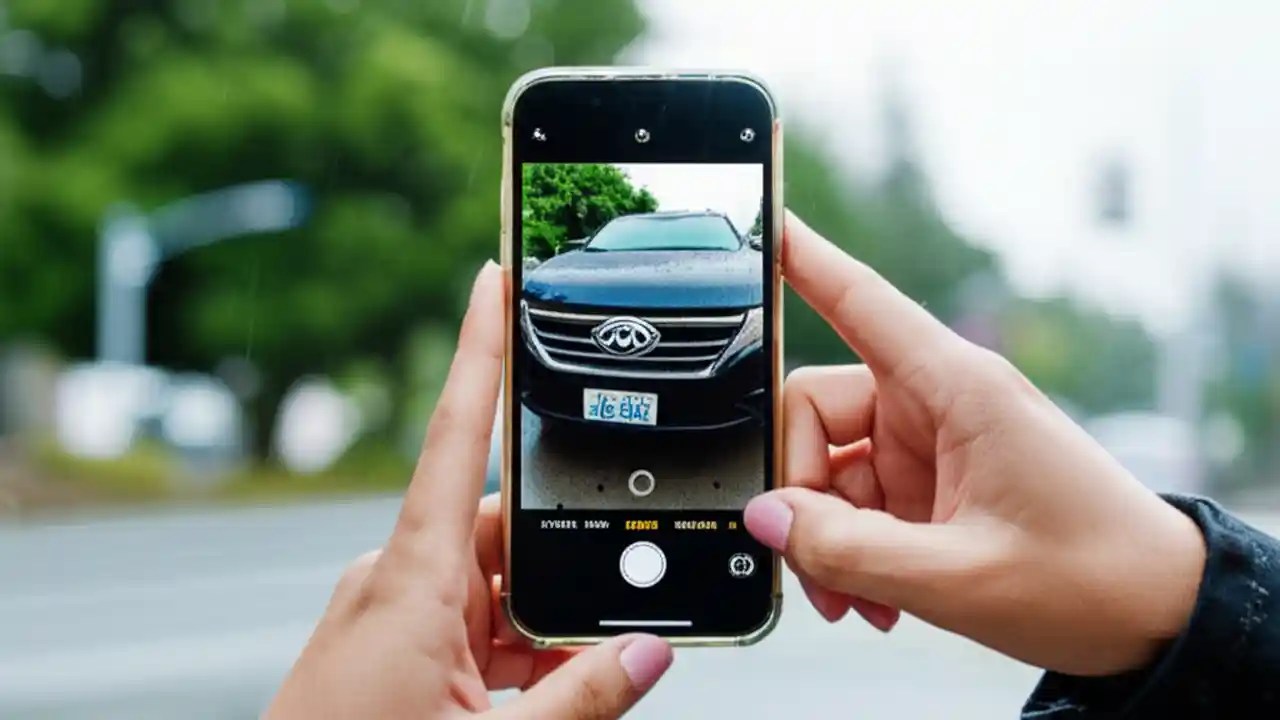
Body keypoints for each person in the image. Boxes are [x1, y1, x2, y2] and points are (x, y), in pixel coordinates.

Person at [267, 212, 1280, 719]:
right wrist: (1192, 605)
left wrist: (1179, 603)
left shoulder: (723, 252)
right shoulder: (576, 267)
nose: (627, 344)